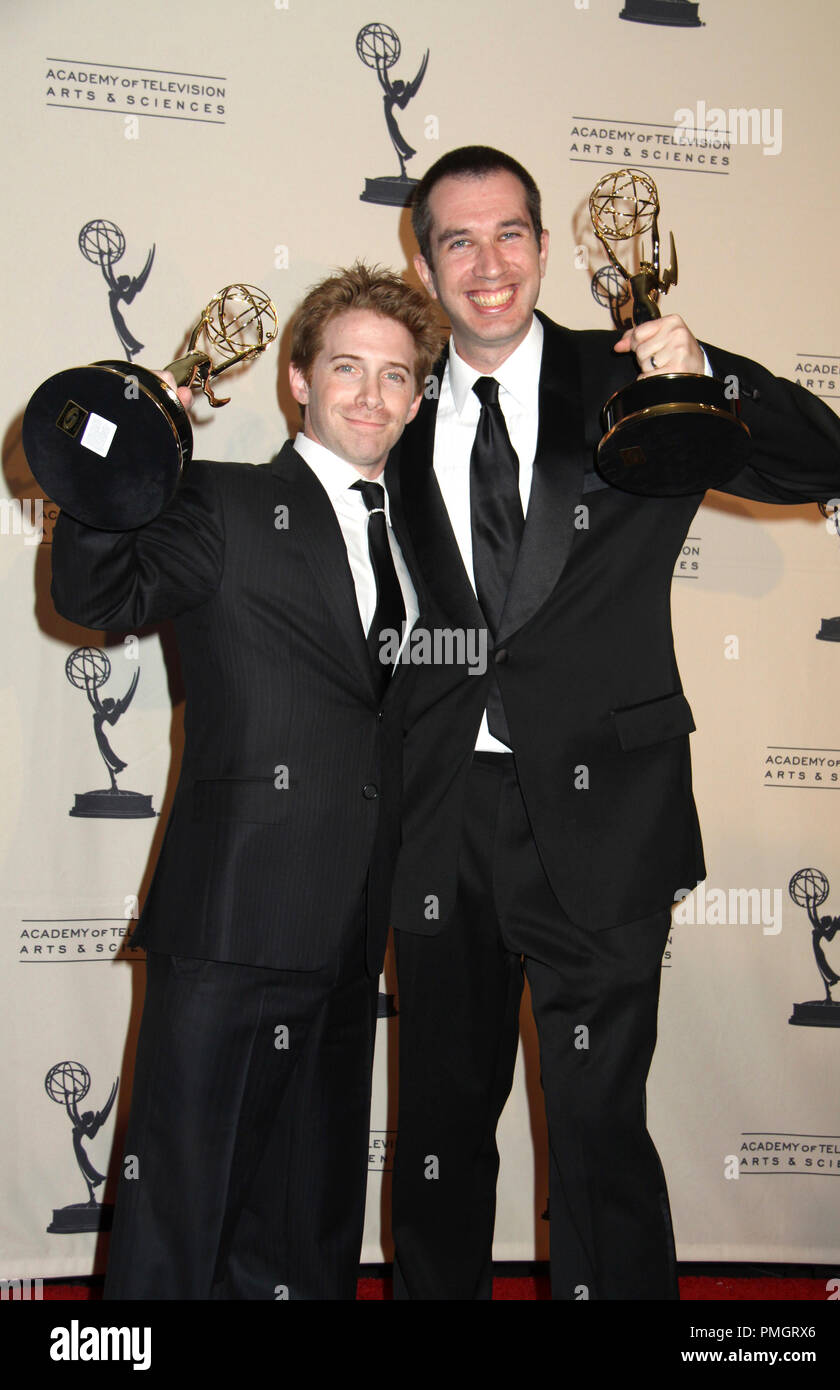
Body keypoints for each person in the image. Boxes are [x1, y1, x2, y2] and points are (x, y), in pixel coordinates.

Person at [383, 146, 840, 1300]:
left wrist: (710, 369)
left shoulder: (632, 376)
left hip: (606, 814)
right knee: (440, 1125)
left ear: (545, 250)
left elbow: (829, 461)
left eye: (508, 234)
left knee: (598, 1123)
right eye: (457, 239)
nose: (486, 263)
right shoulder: (391, 404)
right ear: (427, 260)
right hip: (444, 817)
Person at [49, 263, 441, 1300]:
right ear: (297, 381)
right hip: (230, 921)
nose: (370, 394)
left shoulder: (418, 539)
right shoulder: (219, 498)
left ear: (416, 397)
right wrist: (133, 452)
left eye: (395, 376)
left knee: (305, 1220)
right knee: (177, 1211)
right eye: (346, 367)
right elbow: (97, 592)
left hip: (350, 931)